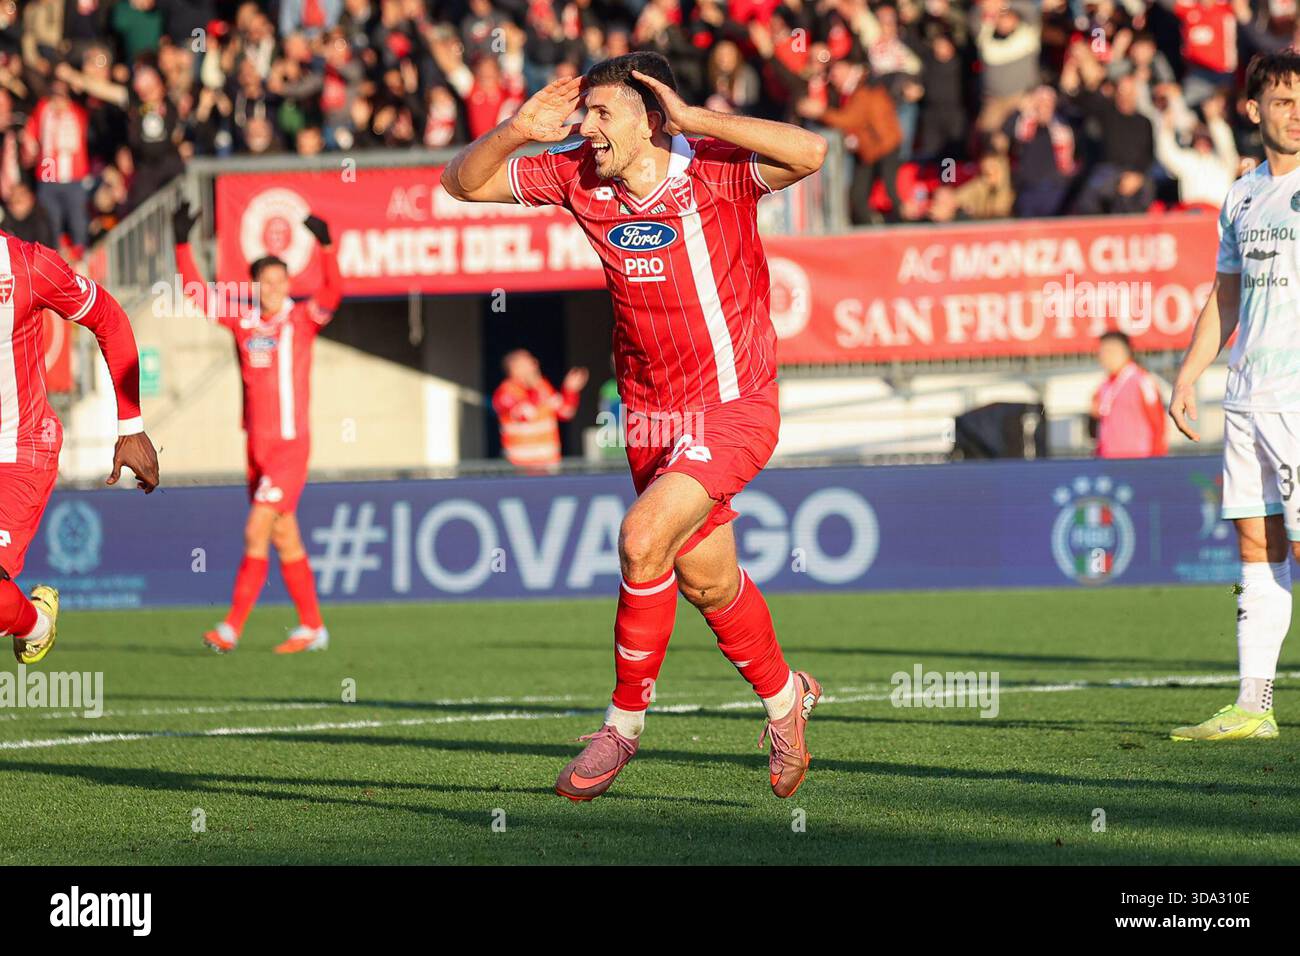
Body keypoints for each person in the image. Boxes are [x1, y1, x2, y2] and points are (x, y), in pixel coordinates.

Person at [442, 51, 827, 801]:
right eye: (583, 114)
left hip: (734, 403)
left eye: (602, 113)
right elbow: (462, 182)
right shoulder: (581, 177)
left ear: (653, 118)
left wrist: (697, 118)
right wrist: (517, 130)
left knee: (642, 538)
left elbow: (811, 151)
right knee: (707, 582)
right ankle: (788, 702)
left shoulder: (716, 168)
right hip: (650, 418)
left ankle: (621, 728)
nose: (587, 129)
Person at [1168, 49, 1300, 742]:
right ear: (1253, 111)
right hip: (1247, 395)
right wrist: (1189, 375)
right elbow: (1225, 297)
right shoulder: (1242, 195)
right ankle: (1254, 706)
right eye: (1283, 101)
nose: (1298, 112)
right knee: (1258, 544)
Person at [171, 203, 341, 655]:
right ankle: (312, 627)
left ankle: (230, 628)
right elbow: (196, 293)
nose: (272, 288)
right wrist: (182, 245)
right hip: (256, 447)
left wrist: (326, 245)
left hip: (289, 447)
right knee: (285, 535)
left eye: (279, 281)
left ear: (287, 283)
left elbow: (334, 291)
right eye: (264, 282)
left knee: (256, 528)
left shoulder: (301, 320)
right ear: (254, 285)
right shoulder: (243, 323)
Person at [0, 230, 159, 664]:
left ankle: (36, 623)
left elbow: (107, 315)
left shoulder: (29, 265)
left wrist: (131, 425)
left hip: (18, 450)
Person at [492, 350, 587, 472]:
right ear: (514, 368)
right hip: (520, 467)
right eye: (529, 363)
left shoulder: (542, 386)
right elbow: (525, 414)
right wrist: (536, 389)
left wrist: (569, 390)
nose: (535, 365)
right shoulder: (505, 392)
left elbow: (565, 412)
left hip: (548, 464)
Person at [1091, 331, 1167, 459]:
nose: (1103, 357)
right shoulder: (1104, 386)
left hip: (1138, 460)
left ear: (1124, 351)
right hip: (1110, 460)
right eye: (1102, 352)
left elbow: (1157, 422)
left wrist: (1156, 460)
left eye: (1109, 351)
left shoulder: (1142, 380)